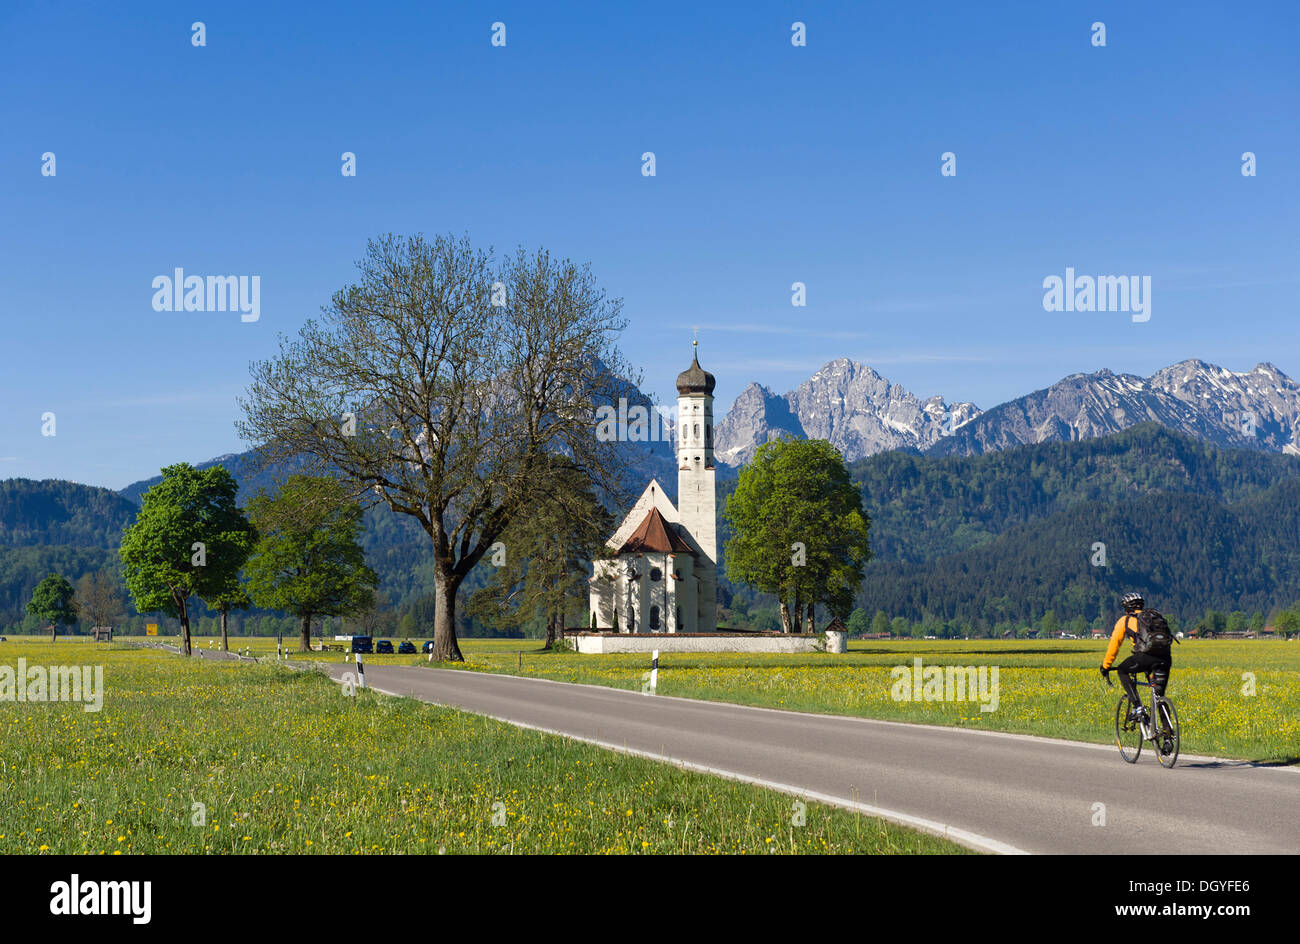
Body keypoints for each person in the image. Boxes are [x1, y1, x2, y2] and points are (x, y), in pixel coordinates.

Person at [1100, 592, 1172, 722]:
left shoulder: (1125, 620)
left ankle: (1138, 707)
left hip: (1145, 657)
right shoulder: (1153, 618)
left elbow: (1114, 645)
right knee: (1159, 695)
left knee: (1122, 670)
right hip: (1165, 658)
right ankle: (1168, 736)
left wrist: (1106, 666)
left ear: (1126, 608)